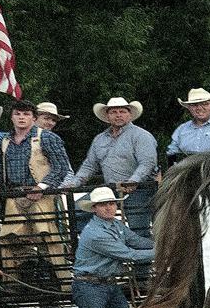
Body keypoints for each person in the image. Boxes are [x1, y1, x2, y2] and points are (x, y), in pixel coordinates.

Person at [0, 99, 73, 286]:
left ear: (33, 118)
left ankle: (63, 285)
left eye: (26, 114)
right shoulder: (4, 140)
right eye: (17, 114)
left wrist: (43, 186)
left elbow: (61, 167)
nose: (21, 118)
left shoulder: (48, 137)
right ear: (11, 117)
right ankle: (16, 287)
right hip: (13, 196)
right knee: (11, 241)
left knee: (50, 240)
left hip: (42, 196)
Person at [60, 96, 159, 237]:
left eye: (122, 111)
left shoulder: (141, 136)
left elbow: (148, 163)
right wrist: (74, 183)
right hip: (110, 189)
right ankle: (97, 245)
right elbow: (89, 165)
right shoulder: (99, 139)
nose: (118, 115)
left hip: (138, 190)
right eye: (113, 112)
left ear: (129, 114)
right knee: (77, 210)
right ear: (107, 115)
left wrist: (133, 180)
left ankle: (143, 258)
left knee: (138, 229)